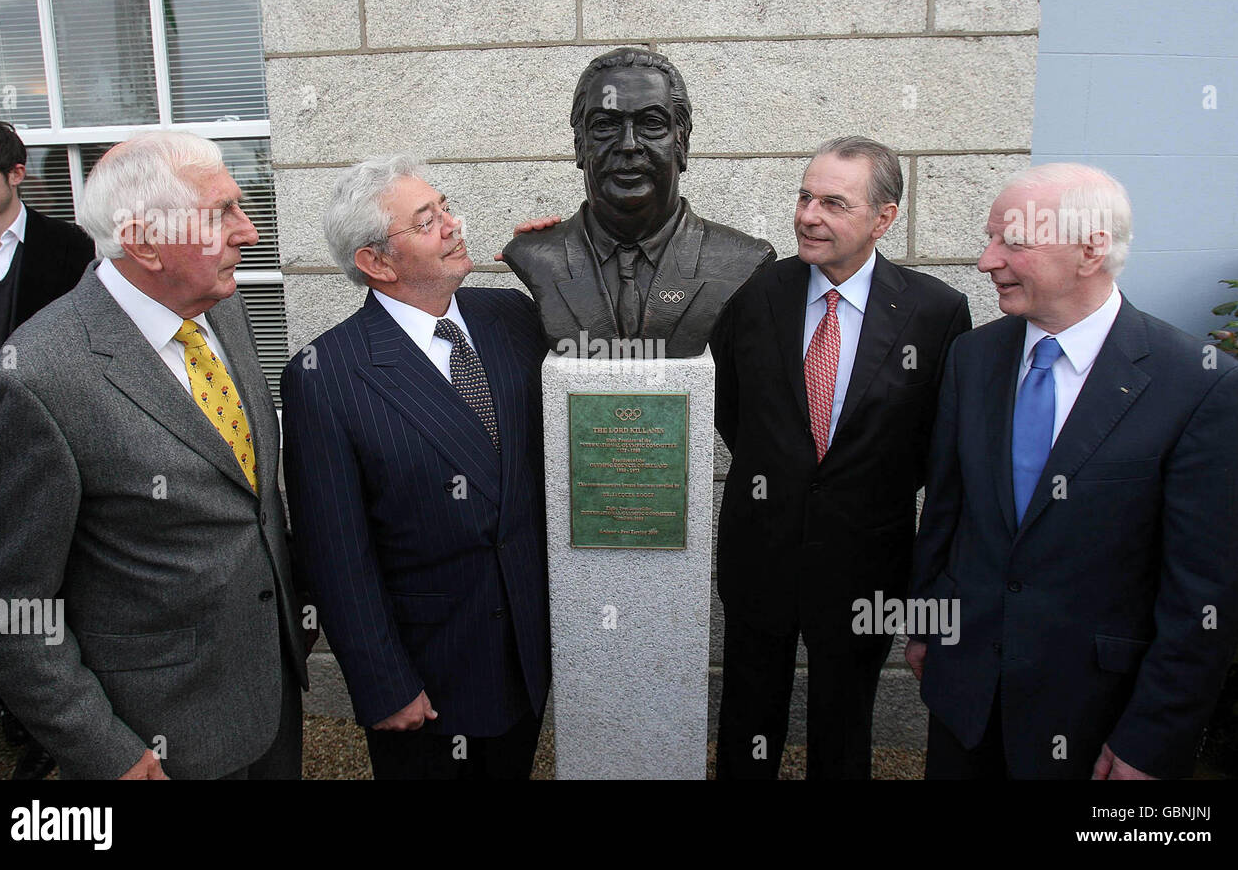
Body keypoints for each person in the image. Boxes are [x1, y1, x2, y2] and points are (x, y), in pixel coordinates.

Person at [0, 131, 309, 780]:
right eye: (221, 214)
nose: (250, 232)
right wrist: (105, 749)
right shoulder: (35, 381)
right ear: (144, 241)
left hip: (271, 701)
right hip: (155, 739)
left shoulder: (222, 311)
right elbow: (4, 610)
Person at [906, 163, 1238, 779]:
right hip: (964, 701)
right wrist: (925, 621)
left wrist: (1152, 740)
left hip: (1096, 720)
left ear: (1092, 248)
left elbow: (1204, 594)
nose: (987, 261)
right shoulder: (972, 357)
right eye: (991, 239)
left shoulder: (1202, 386)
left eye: (1012, 241)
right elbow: (946, 510)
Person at [282, 155, 550, 779]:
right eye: (426, 220)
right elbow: (335, 551)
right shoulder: (328, 375)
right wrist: (382, 682)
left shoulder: (511, 315)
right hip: (431, 667)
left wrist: (567, 256)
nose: (453, 225)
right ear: (376, 262)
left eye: (445, 207)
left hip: (526, 646)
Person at [710, 136, 971, 779]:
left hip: (865, 559)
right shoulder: (755, 293)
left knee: (845, 718)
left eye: (833, 202)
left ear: (883, 218)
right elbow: (733, 411)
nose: (808, 215)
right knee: (748, 712)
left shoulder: (934, 312)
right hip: (760, 548)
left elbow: (938, 446)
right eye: (804, 196)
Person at [0, 114, 94, 780]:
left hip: (56, 442)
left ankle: (51, 726)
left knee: (55, 575)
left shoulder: (69, 246)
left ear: (15, 173)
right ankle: (4, 707)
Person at [503, 47, 774, 357]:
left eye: (651, 123)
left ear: (681, 144)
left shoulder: (741, 257)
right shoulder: (535, 254)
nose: (628, 145)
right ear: (580, 146)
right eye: (605, 125)